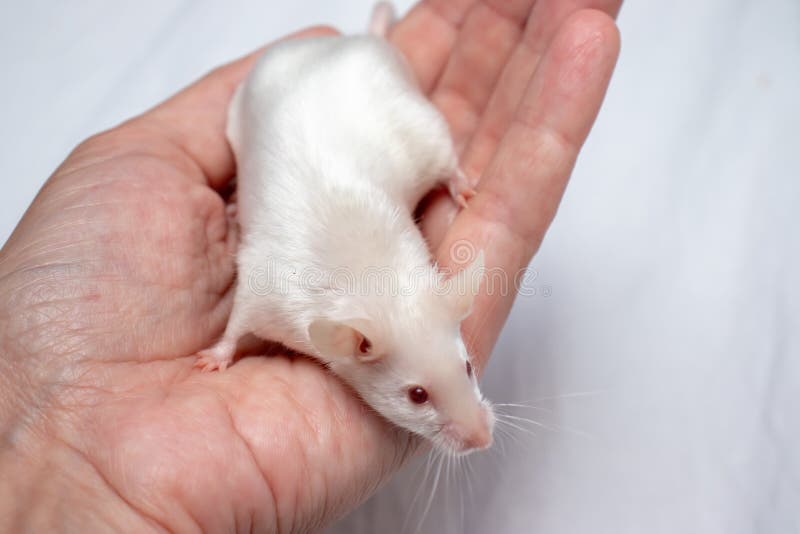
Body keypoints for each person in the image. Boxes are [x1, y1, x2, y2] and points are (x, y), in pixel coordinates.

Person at [0, 1, 620, 531]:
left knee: (425, 147)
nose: (475, 429)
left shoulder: (419, 291)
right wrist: (226, 344)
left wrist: (448, 172)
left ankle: (398, 87)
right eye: (419, 397)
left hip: (350, 98)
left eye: (461, 371)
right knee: (349, 121)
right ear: (353, 346)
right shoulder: (300, 310)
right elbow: (256, 294)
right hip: (285, 97)